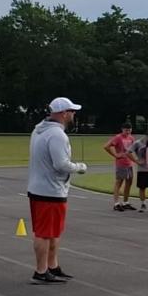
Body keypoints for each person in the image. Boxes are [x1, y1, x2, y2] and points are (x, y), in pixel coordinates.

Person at [26, 96, 89, 283]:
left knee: (52, 231)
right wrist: (80, 167)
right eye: (71, 111)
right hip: (50, 190)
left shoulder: (40, 130)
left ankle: (52, 266)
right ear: (63, 113)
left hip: (41, 187)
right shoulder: (57, 135)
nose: (73, 114)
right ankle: (41, 270)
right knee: (45, 233)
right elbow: (61, 164)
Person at [105, 121, 136, 211]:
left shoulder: (131, 138)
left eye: (129, 130)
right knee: (119, 182)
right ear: (122, 130)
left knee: (129, 182)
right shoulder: (118, 137)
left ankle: (125, 202)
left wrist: (135, 160)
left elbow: (132, 150)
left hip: (129, 163)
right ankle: (116, 203)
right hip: (121, 163)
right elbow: (107, 146)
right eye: (126, 130)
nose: (128, 132)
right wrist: (116, 155)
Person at [132, 134, 148, 210]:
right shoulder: (138, 143)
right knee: (142, 187)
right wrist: (136, 161)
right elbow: (128, 152)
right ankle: (143, 203)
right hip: (142, 169)